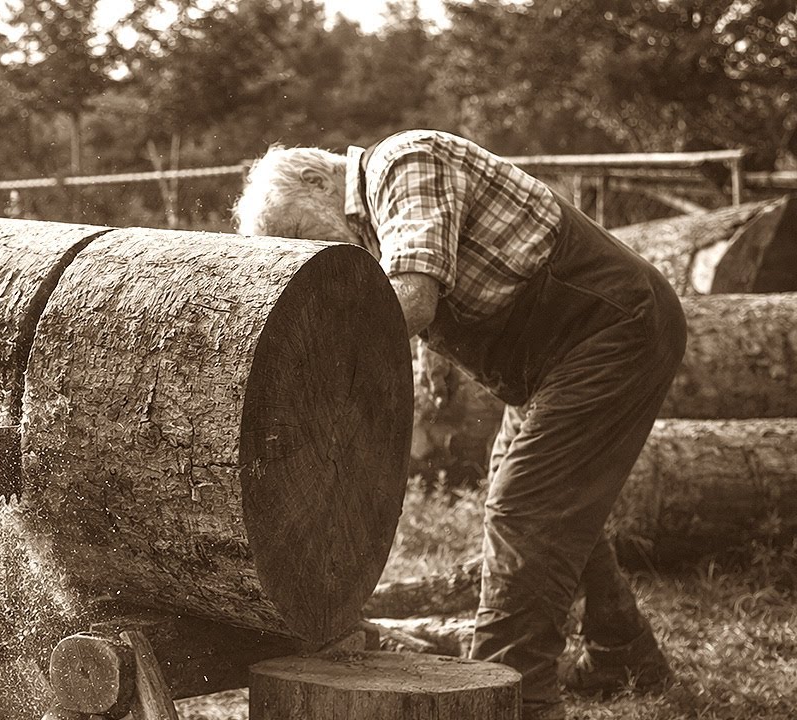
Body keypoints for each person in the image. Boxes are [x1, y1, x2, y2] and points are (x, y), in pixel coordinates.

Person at [234, 130, 686, 720]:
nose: (306, 253)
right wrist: (429, 360)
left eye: (296, 233)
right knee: (546, 496)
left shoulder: (403, 161)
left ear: (317, 182)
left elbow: (414, 297)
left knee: (526, 507)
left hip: (610, 328)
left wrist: (320, 368)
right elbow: (432, 274)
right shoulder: (374, 224)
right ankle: (622, 653)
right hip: (558, 356)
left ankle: (516, 700)